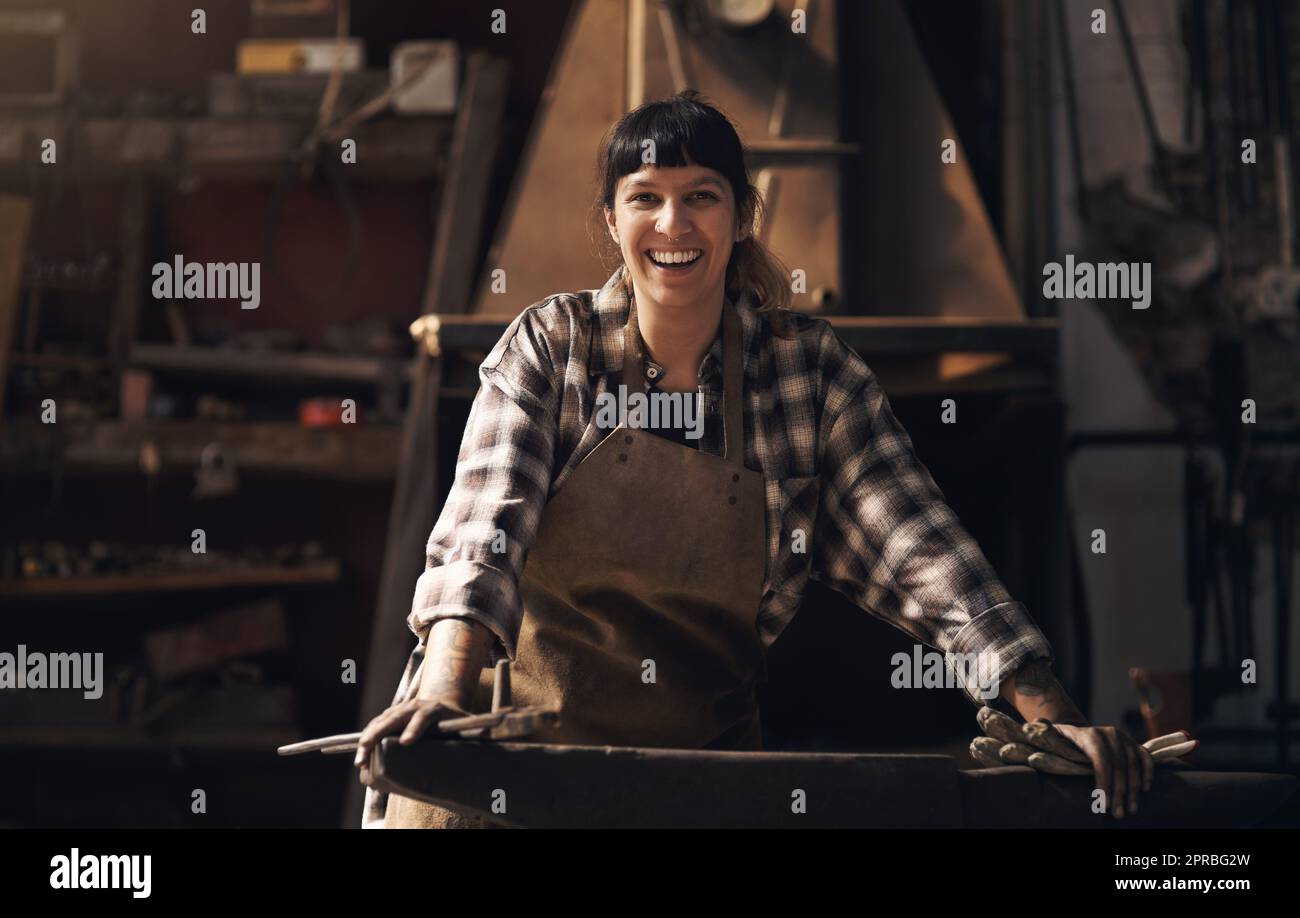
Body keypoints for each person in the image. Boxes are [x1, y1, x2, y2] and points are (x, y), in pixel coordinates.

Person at [356, 90, 1153, 828]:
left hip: (698, 790)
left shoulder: (808, 375)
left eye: (702, 195)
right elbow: (481, 535)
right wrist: (443, 694)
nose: (674, 225)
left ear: (743, 215)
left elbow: (925, 553)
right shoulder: (550, 350)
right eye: (645, 198)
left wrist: (1053, 716)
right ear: (610, 220)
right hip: (498, 776)